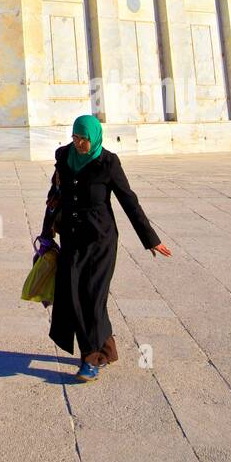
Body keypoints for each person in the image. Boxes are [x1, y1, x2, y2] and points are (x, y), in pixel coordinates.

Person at [41, 114, 172, 382]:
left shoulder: (108, 162)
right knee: (72, 295)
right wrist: (46, 235)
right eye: (76, 138)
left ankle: (91, 358)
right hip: (71, 239)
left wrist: (150, 239)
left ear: (95, 138)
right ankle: (107, 349)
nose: (79, 144)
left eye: (84, 139)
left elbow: (129, 201)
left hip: (100, 241)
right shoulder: (64, 157)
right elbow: (55, 196)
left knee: (91, 297)